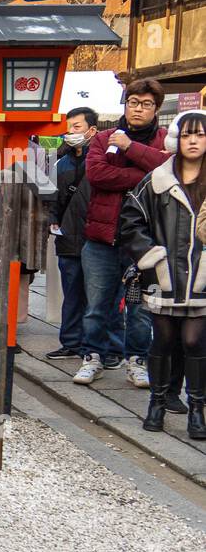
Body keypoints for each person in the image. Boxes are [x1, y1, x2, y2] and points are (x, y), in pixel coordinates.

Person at [74, 79, 169, 386]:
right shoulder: (102, 137)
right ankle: (92, 357)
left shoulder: (165, 139)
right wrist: (141, 173)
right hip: (102, 237)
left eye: (146, 104)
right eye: (133, 102)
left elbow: (168, 171)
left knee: (141, 309)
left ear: (156, 108)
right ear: (125, 105)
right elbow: (97, 174)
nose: (138, 109)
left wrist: (132, 148)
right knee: (96, 305)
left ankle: (137, 360)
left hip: (145, 242)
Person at [120, 112, 206, 436]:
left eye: (199, 135)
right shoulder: (157, 180)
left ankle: (196, 408)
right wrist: (151, 255)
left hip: (202, 277)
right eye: (187, 135)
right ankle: (156, 403)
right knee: (164, 339)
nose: (193, 141)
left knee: (194, 340)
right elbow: (130, 221)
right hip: (162, 275)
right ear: (176, 140)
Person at [46, 107, 98, 360]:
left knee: (94, 296)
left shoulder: (99, 160)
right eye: (70, 127)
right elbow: (52, 199)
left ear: (92, 130)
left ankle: (92, 346)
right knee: (71, 294)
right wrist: (52, 221)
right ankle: (70, 342)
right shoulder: (61, 162)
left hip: (93, 237)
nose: (71, 132)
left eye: (77, 127)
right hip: (67, 236)